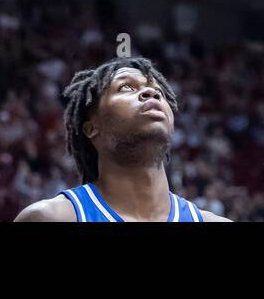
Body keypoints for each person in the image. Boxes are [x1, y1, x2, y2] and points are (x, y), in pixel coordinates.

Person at [14, 57, 229, 222]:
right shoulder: (50, 218)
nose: (150, 93)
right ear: (91, 128)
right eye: (126, 87)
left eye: (158, 91)